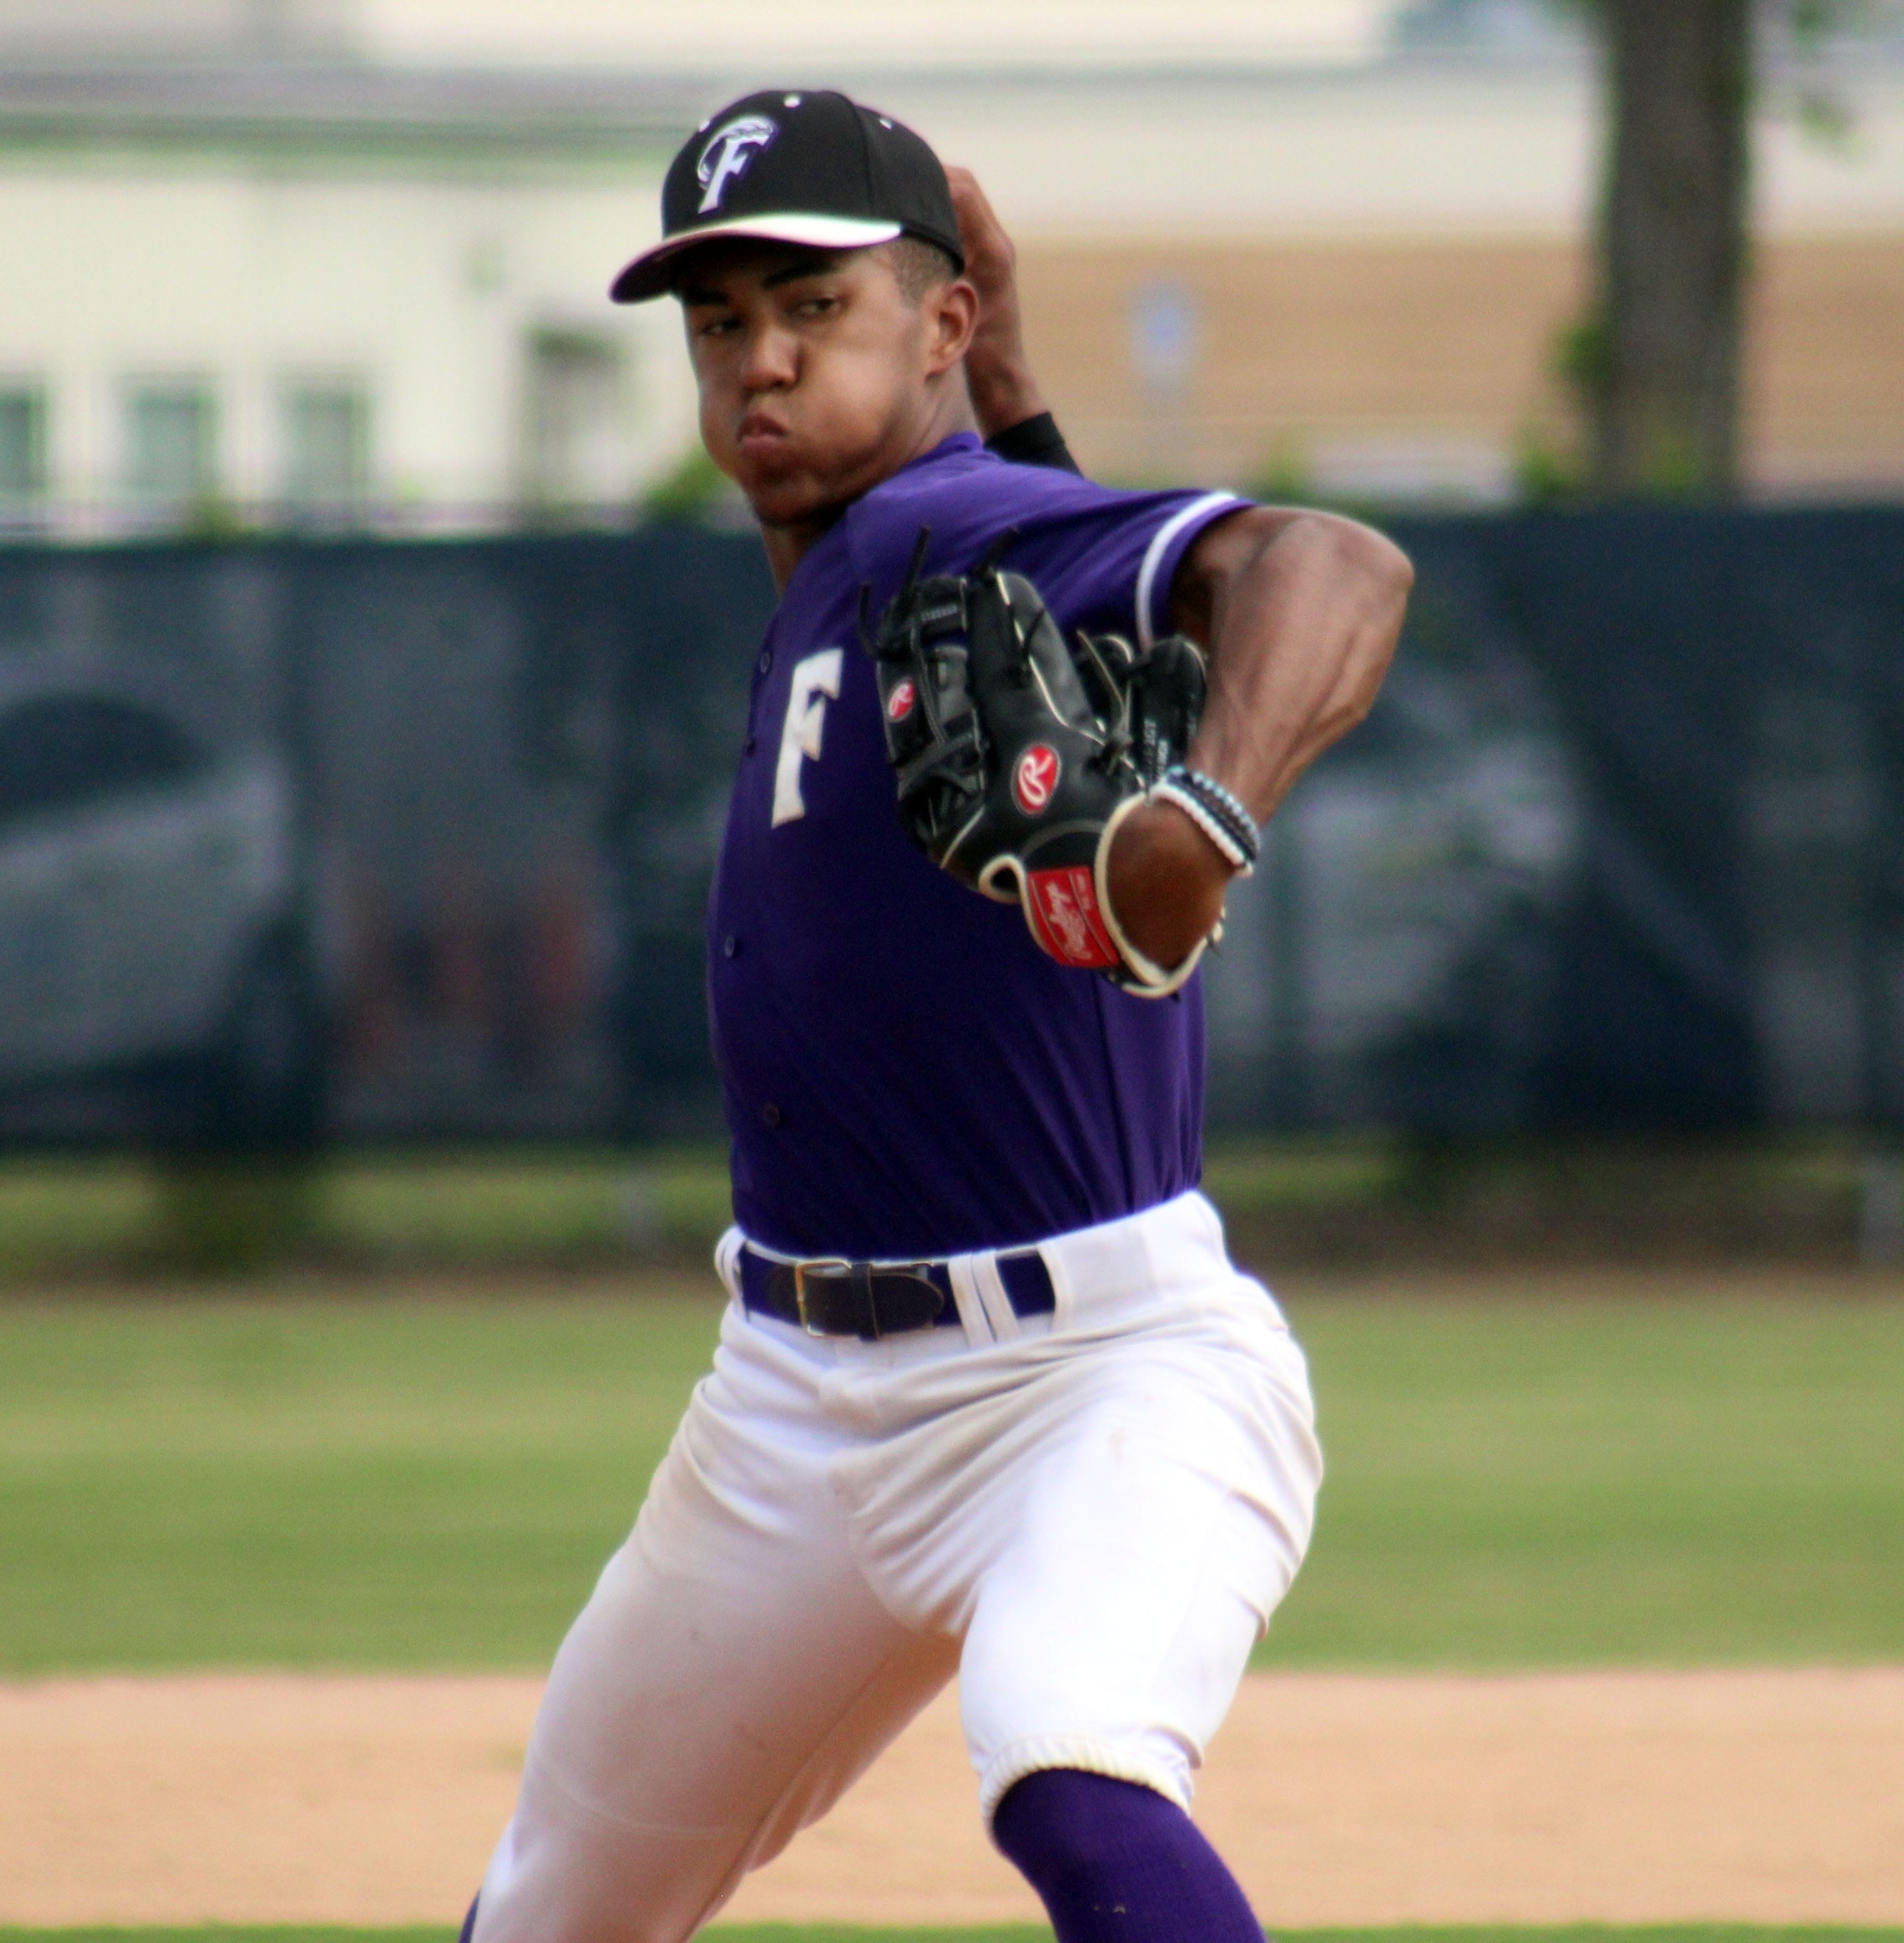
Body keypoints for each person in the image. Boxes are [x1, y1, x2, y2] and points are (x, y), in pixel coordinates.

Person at [460, 90, 1410, 1942]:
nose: (759, 360)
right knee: (552, 1908)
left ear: (940, 323)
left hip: (1094, 1371)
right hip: (788, 1405)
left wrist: (1203, 818)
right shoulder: (867, 567)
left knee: (1072, 1766)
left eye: (815, 307)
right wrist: (1027, 402)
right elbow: (1065, 586)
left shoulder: (933, 531)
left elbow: (1335, 568)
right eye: (722, 320)